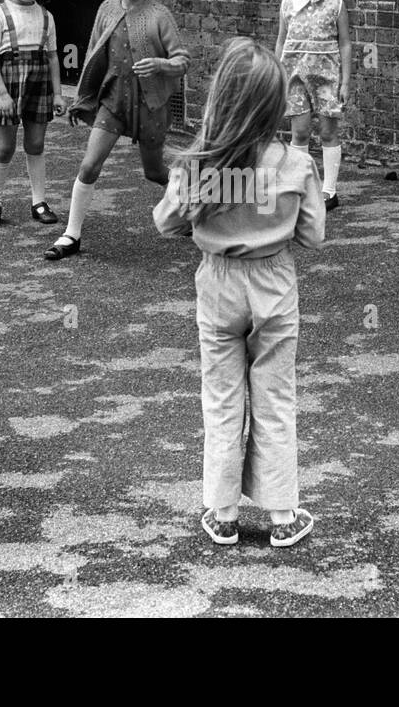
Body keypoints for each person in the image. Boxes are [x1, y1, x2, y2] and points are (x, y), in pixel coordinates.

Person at [153, 37, 326, 547]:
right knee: (275, 396)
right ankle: (282, 515)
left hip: (219, 282)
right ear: (275, 104)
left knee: (222, 397)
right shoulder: (296, 163)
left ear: (219, 99)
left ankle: (223, 512)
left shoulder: (197, 164)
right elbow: (314, 235)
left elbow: (165, 223)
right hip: (273, 281)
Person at [45, 0, 189, 260]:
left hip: (151, 106)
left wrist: (161, 65)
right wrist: (83, 98)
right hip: (113, 102)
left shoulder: (160, 16)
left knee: (154, 172)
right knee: (89, 165)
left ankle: (189, 195)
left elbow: (182, 60)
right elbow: (94, 55)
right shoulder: (106, 10)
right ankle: (71, 235)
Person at [0, 0, 65, 228]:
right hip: (8, 87)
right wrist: (2, 94)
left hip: (38, 87)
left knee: (36, 144)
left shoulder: (46, 16)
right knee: (4, 148)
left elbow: (52, 57)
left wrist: (58, 93)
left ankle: (38, 202)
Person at [275, 0, 352, 210]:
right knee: (300, 132)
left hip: (327, 78)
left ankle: (329, 191)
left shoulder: (336, 5)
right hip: (295, 78)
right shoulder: (287, 5)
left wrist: (345, 81)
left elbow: (345, 44)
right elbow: (281, 42)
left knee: (329, 132)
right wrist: (277, 76)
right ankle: (301, 188)